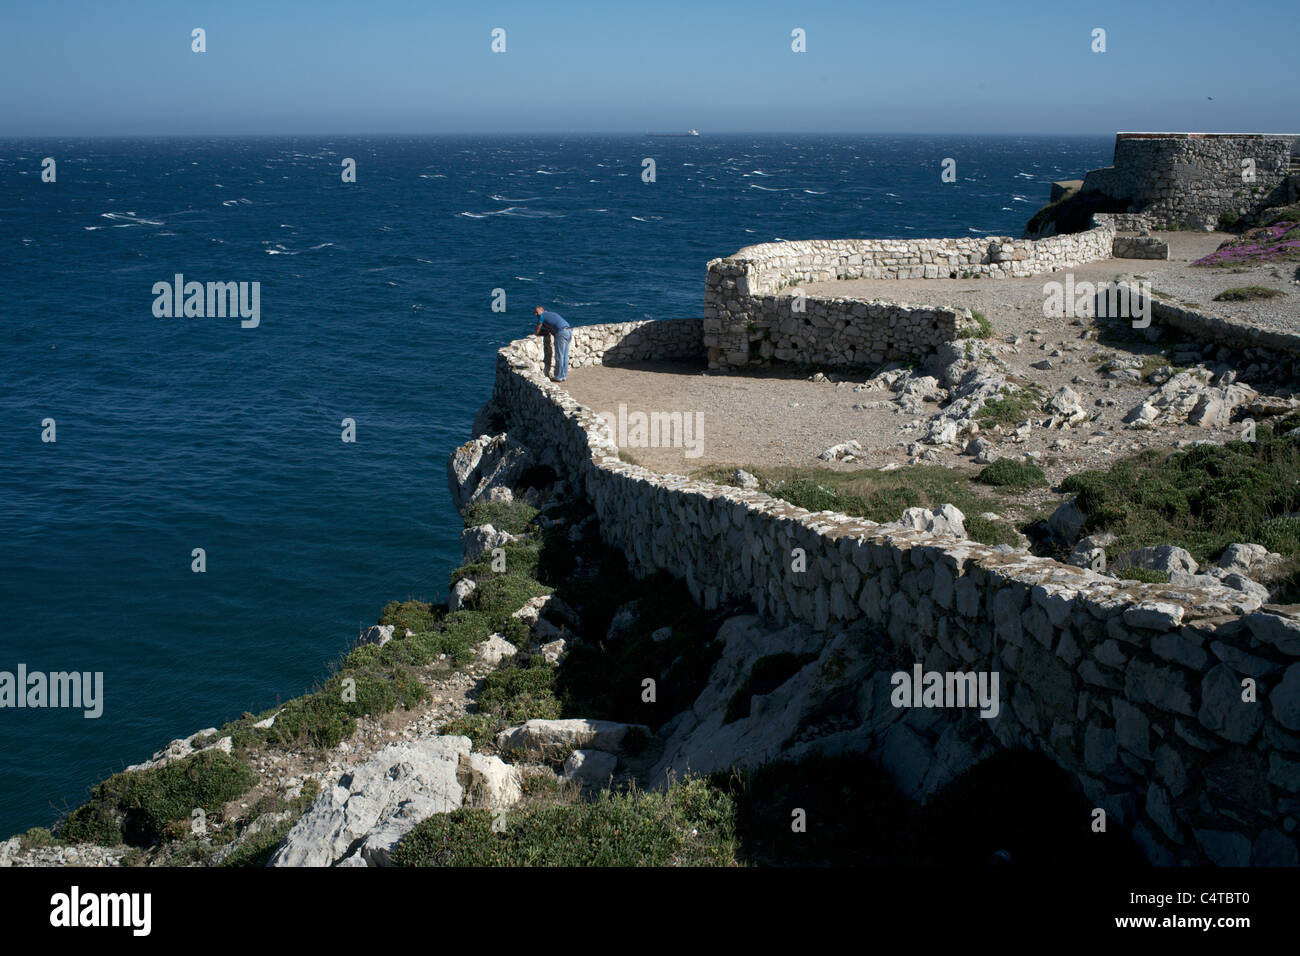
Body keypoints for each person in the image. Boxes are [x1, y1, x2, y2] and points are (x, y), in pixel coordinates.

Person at [533, 306, 572, 382]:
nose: (536, 314)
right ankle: (563, 376)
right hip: (568, 331)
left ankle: (558, 377)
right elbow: (550, 328)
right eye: (535, 313)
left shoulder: (542, 316)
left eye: (537, 312)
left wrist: (536, 333)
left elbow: (538, 327)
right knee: (564, 356)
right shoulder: (550, 314)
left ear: (542, 310)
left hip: (561, 333)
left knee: (559, 356)